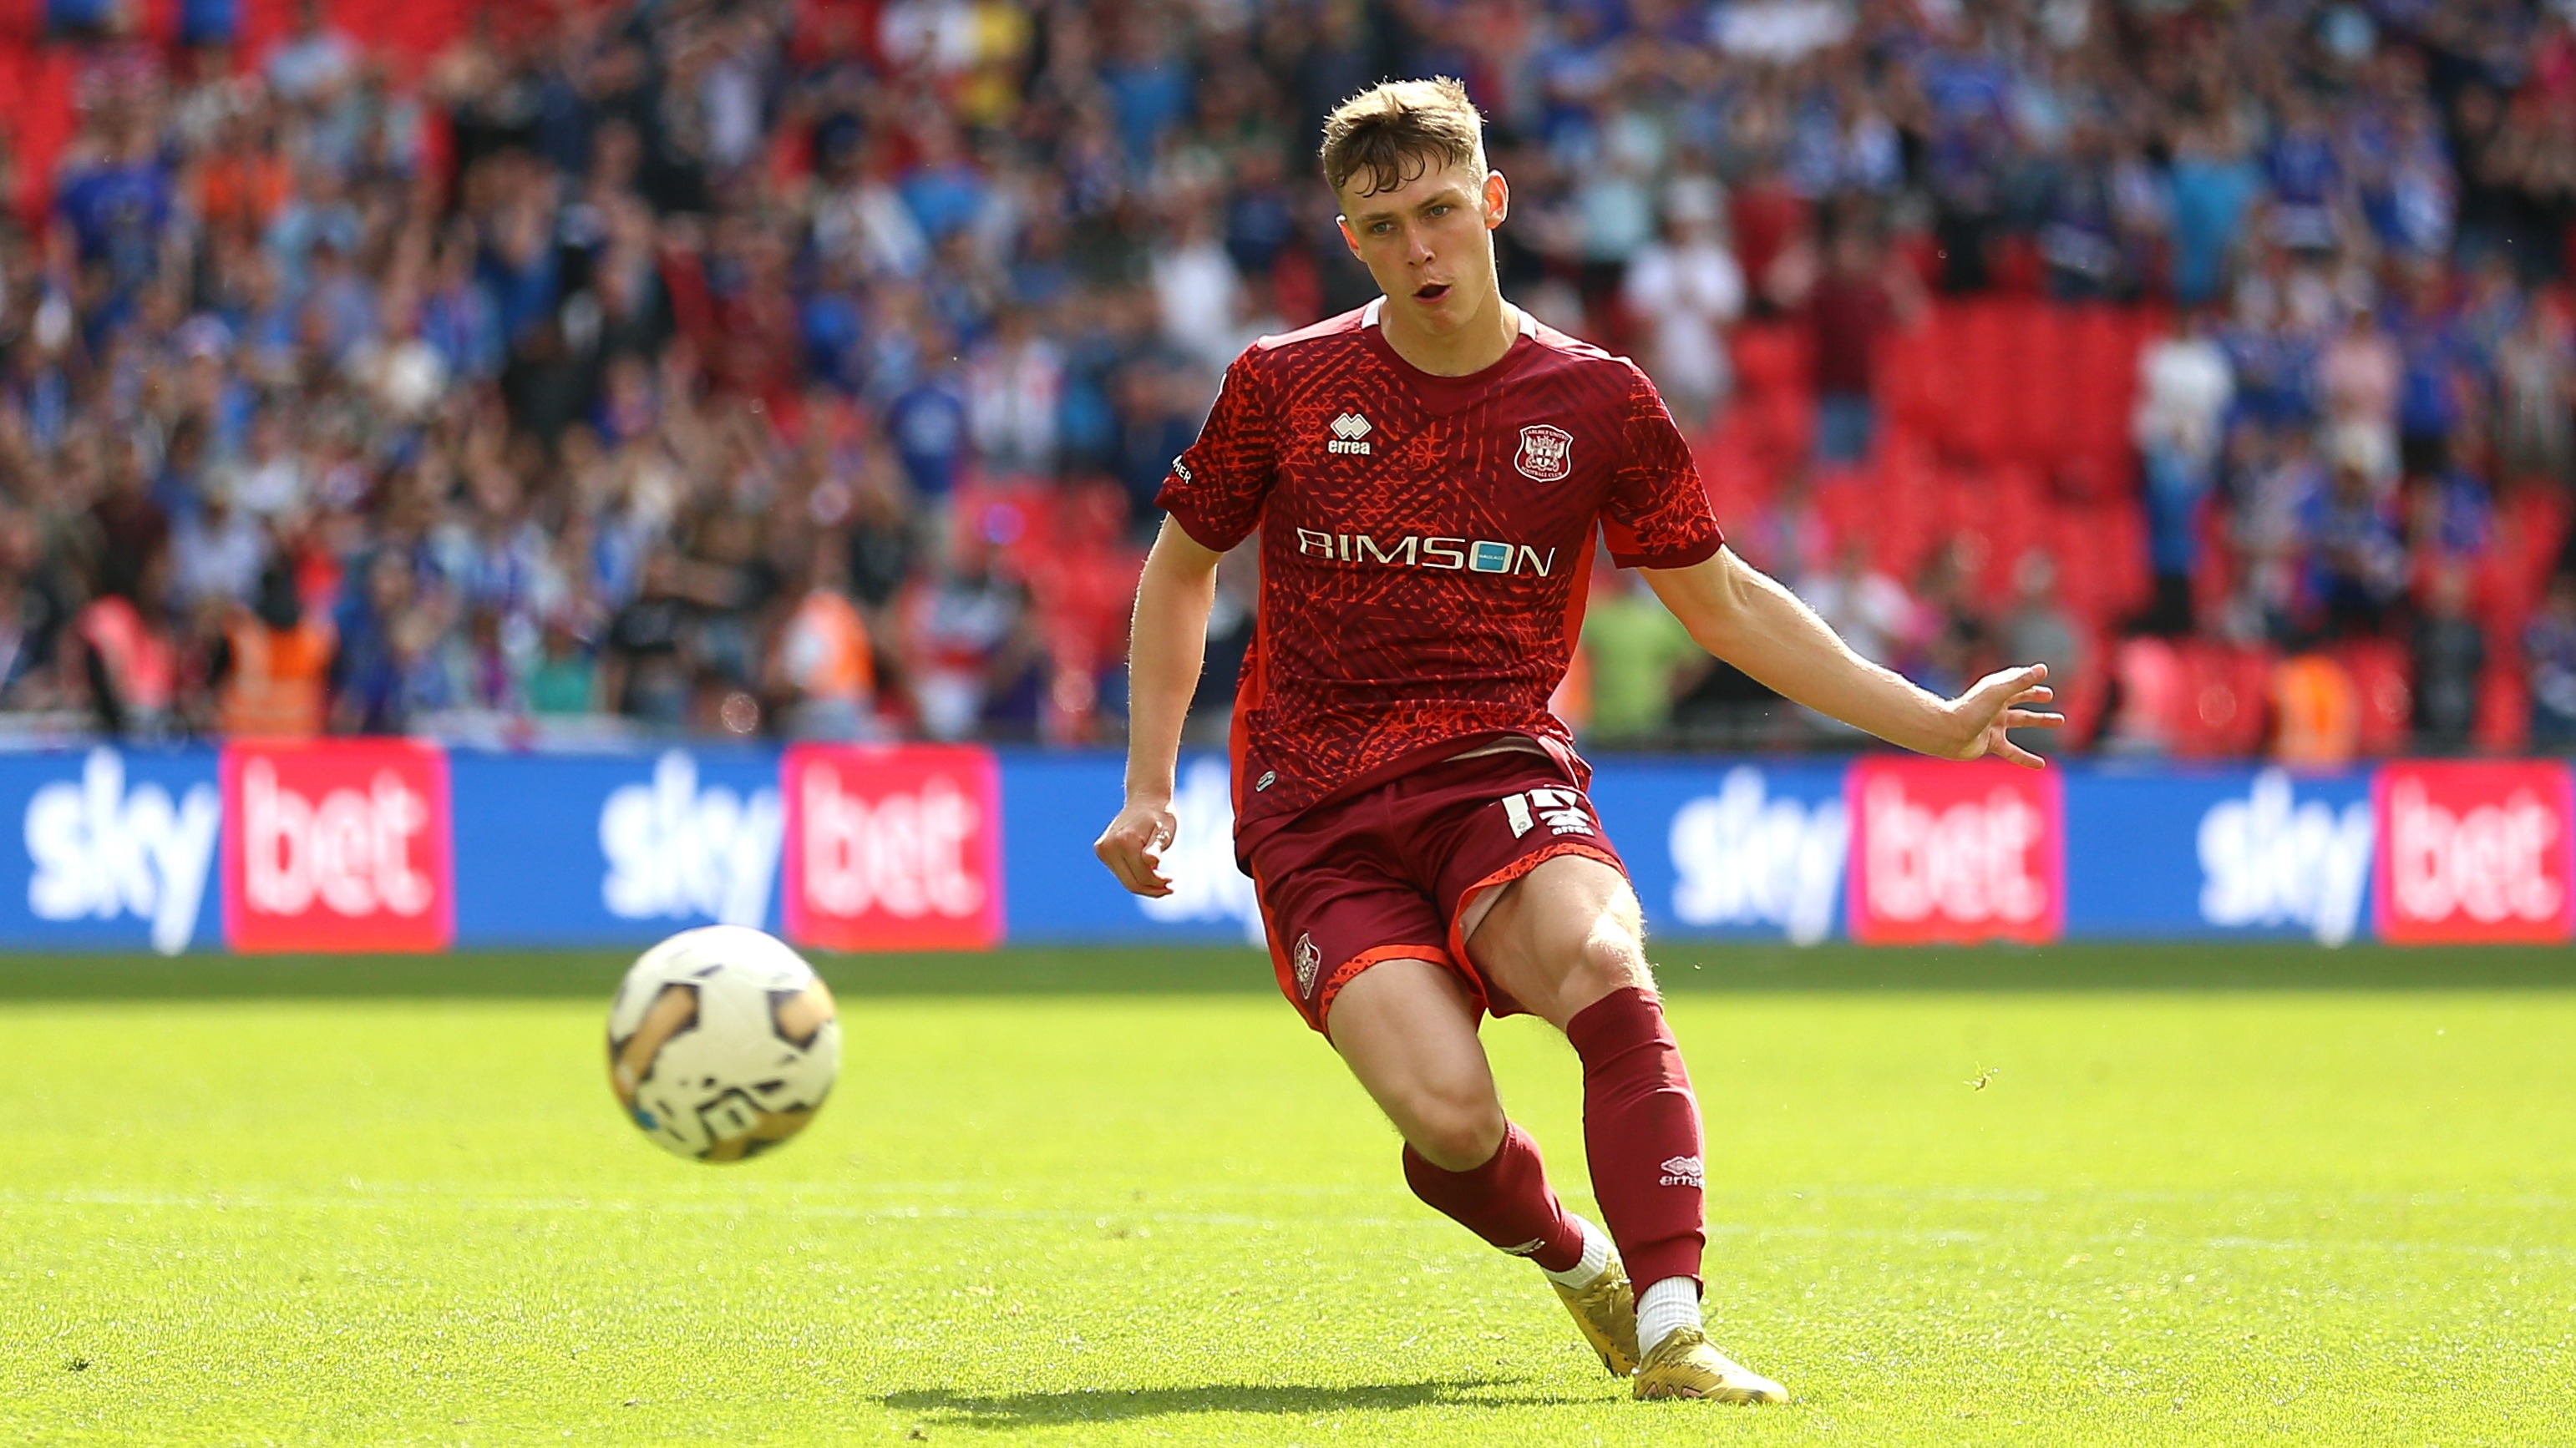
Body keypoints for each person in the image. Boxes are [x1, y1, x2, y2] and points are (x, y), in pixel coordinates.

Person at [1093, 78, 2059, 1406]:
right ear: (1352, 241)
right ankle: (1574, 1259)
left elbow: (1720, 599)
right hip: (1313, 808)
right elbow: (1179, 570)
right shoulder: (1284, 386)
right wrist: (1151, 787)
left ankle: (1673, 1327)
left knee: (1604, 955)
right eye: (1385, 225)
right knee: (1449, 1117)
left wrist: (1928, 719)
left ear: (1492, 202)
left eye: (1441, 210)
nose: (1421, 245)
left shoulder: (1595, 401)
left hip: (1497, 768)